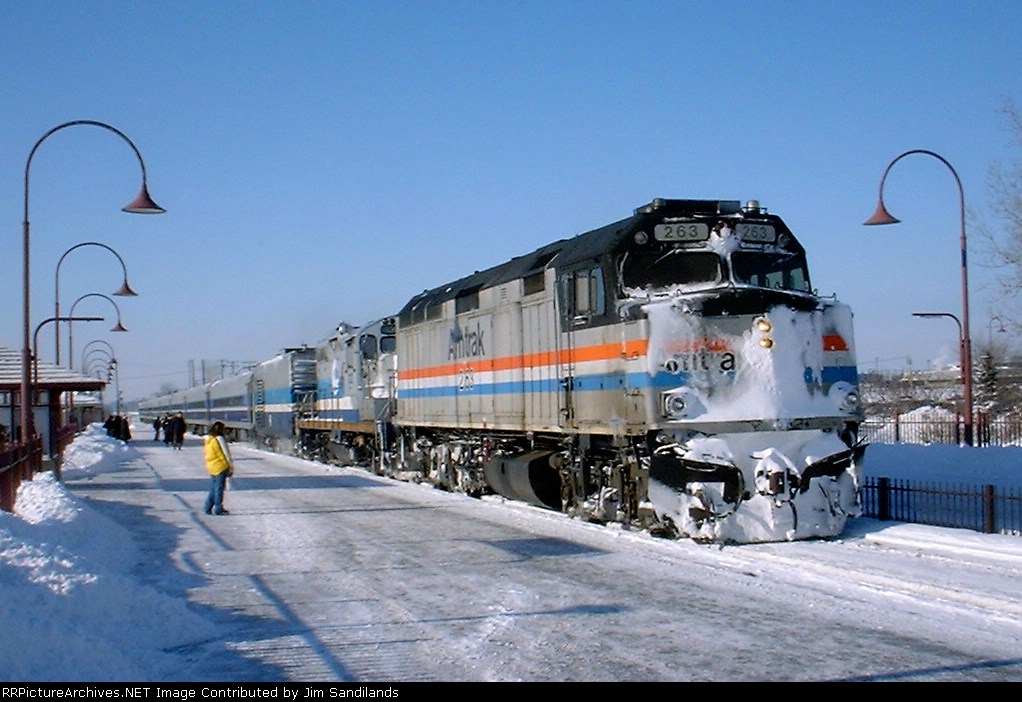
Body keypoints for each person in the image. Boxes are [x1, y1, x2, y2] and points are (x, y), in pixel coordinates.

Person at [203, 421, 235, 516]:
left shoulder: (209, 439)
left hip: (212, 466)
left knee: (214, 488)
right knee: (219, 489)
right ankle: (218, 508)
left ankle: (207, 507)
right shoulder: (220, 439)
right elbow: (226, 453)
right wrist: (230, 465)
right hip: (220, 466)